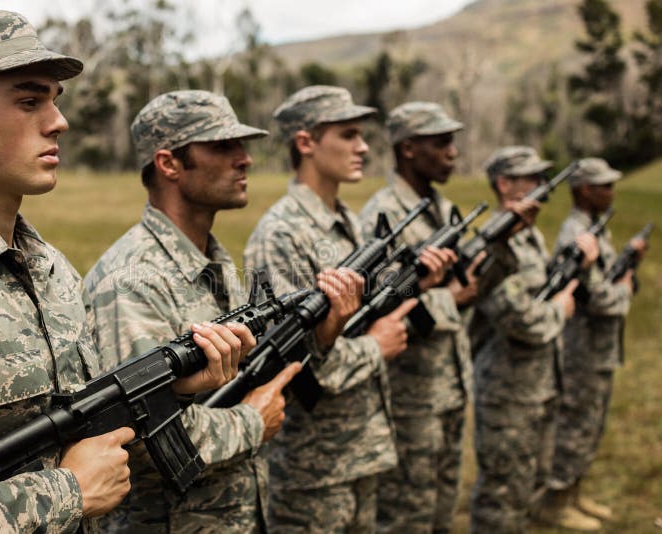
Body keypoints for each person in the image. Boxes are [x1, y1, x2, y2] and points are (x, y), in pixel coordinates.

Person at [0, 12, 247, 532]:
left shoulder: (53, 271)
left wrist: (171, 388)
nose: (58, 121)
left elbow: (81, 421)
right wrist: (67, 493)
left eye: (53, 101)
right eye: (28, 102)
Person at [85, 89, 302, 533]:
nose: (245, 160)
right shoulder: (130, 281)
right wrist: (252, 423)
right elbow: (141, 437)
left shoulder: (215, 262)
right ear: (169, 165)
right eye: (223, 147)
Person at [244, 85, 428, 532]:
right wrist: (375, 347)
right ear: (306, 143)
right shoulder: (282, 235)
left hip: (358, 450)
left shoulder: (349, 221)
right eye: (348, 134)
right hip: (313, 467)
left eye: (361, 134)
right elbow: (285, 361)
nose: (363, 147)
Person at [358, 102, 480, 534]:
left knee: (444, 508)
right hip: (411, 395)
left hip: (450, 382)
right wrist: (449, 296)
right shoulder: (383, 216)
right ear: (408, 148)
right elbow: (379, 305)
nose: (452, 153)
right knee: (407, 514)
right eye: (441, 142)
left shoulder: (441, 207)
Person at [468, 147, 599, 533]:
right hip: (507, 389)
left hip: (538, 382)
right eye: (532, 179)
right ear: (504, 185)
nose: (543, 187)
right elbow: (519, 319)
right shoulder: (495, 245)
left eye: (544, 179)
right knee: (502, 497)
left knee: (527, 489)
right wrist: (560, 309)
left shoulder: (530, 238)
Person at [536, 158, 647, 530]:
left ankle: (574, 494)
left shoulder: (594, 230)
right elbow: (594, 297)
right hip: (581, 347)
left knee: (590, 424)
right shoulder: (575, 235)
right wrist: (625, 291)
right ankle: (556, 501)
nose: (612, 192)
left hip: (597, 348)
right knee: (574, 426)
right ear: (584, 190)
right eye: (605, 186)